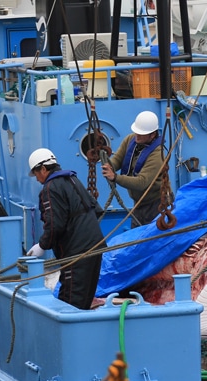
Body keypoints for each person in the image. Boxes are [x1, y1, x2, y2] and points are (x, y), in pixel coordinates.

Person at [27, 148, 106, 310]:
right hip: (95, 247)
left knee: (71, 302)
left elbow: (54, 225)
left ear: (43, 169)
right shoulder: (72, 179)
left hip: (77, 253)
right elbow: (96, 208)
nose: (37, 179)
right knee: (84, 300)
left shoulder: (50, 188)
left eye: (36, 174)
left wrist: (42, 245)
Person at [101, 111, 164, 228]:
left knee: (156, 236)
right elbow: (117, 160)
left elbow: (141, 182)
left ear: (152, 135)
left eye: (141, 134)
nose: (137, 135)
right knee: (137, 235)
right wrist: (109, 165)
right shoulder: (130, 140)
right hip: (138, 203)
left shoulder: (157, 154)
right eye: (136, 132)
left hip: (157, 205)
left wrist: (115, 177)